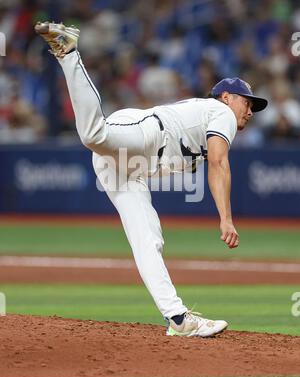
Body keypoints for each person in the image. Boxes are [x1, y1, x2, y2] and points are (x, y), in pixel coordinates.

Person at [35, 22, 268, 338]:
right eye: (246, 101)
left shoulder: (210, 119)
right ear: (226, 97)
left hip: (128, 167)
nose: (250, 110)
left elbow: (209, 160)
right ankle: (69, 52)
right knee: (93, 134)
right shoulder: (221, 112)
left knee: (148, 239)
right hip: (144, 133)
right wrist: (226, 218)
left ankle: (178, 318)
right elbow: (219, 163)